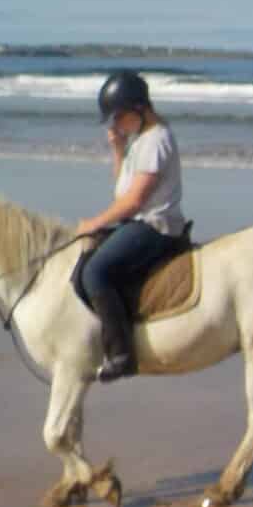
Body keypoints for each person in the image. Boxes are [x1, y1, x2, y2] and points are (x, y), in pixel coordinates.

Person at [74, 70, 187, 382]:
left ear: (139, 108)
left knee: (95, 272)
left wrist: (95, 222)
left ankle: (121, 354)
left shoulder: (157, 140)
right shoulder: (141, 141)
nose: (115, 124)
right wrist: (118, 150)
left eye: (119, 116)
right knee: (84, 263)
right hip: (136, 221)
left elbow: (134, 201)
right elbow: (121, 188)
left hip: (155, 227)